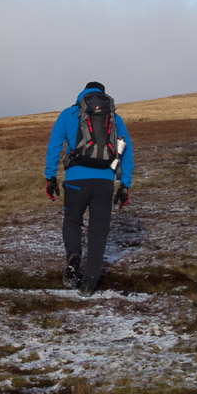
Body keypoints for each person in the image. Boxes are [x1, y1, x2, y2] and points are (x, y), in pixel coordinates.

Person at [44, 81, 135, 296]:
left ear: (83, 94)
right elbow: (126, 151)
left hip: (76, 181)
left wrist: (50, 177)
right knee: (98, 232)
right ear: (103, 97)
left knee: (72, 221)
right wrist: (125, 185)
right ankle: (89, 283)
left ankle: (74, 255)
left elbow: (54, 146)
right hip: (104, 182)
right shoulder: (114, 118)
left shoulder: (68, 114)